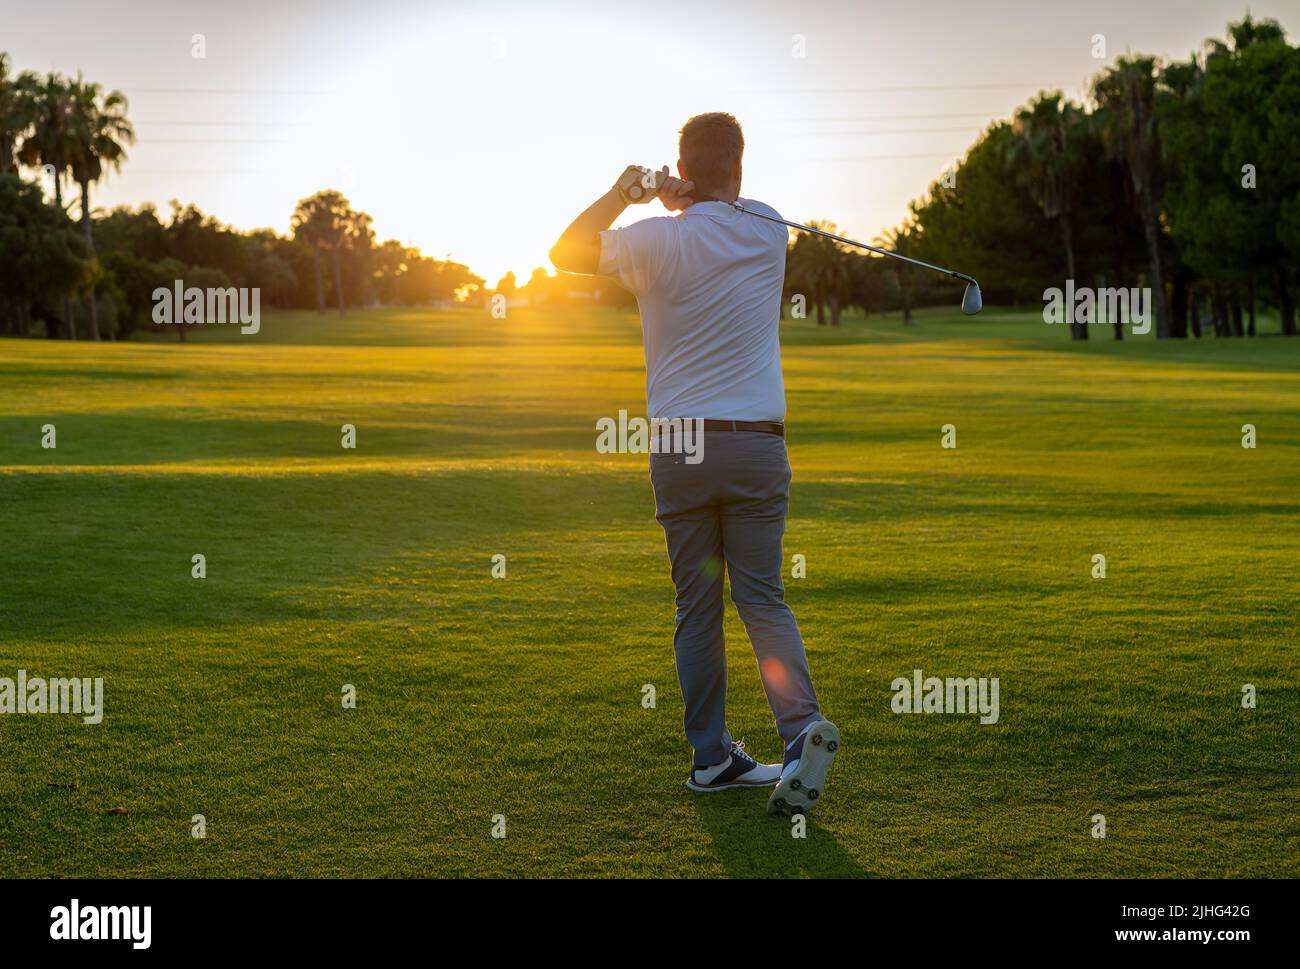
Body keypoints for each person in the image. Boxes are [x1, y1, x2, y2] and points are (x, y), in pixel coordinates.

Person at [549, 112, 839, 816]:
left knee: (697, 605)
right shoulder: (772, 227)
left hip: (681, 447)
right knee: (762, 596)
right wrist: (692, 195)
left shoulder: (651, 240)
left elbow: (564, 252)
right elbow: (722, 206)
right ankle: (800, 732)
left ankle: (710, 756)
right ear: (740, 164)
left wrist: (630, 192)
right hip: (756, 443)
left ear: (680, 167)